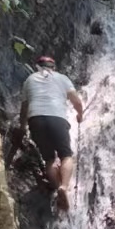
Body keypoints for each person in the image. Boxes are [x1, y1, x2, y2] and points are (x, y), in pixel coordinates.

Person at [20, 54, 84, 213]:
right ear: (53, 68)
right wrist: (80, 115)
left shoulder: (29, 80)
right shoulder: (62, 78)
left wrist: (22, 127)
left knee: (49, 159)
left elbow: (24, 108)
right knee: (66, 155)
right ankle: (64, 187)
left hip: (35, 119)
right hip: (57, 118)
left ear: (37, 67)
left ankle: (57, 188)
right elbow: (76, 101)